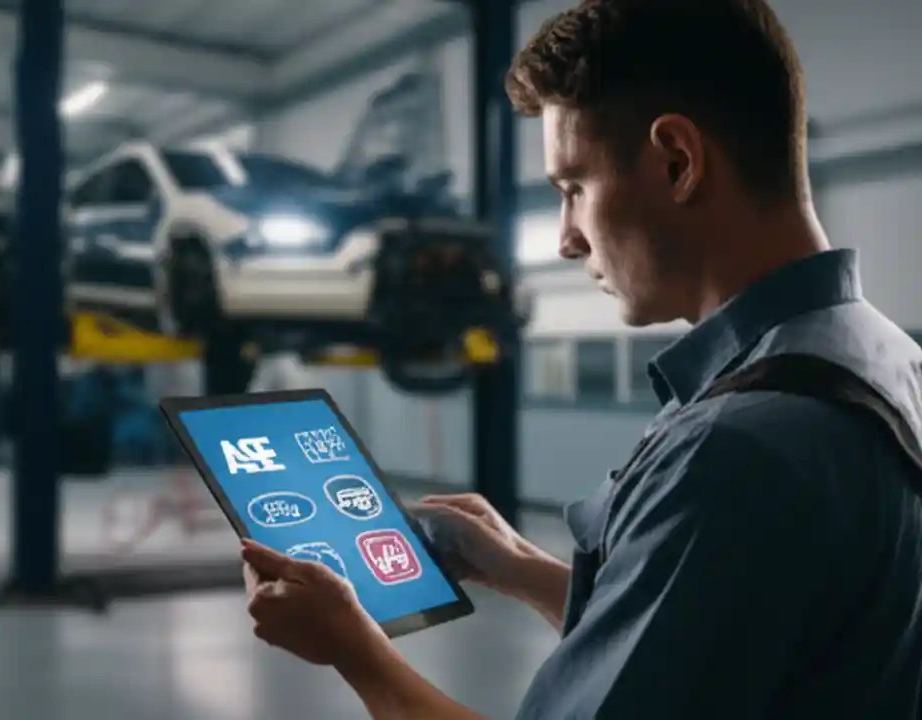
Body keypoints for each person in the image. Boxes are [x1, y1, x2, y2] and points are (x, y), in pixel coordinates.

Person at [238, 1, 922, 717]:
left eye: (573, 188)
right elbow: (727, 640)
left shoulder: (736, 449)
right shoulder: (878, 357)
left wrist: (352, 646)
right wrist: (521, 569)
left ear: (677, 162)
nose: (567, 238)